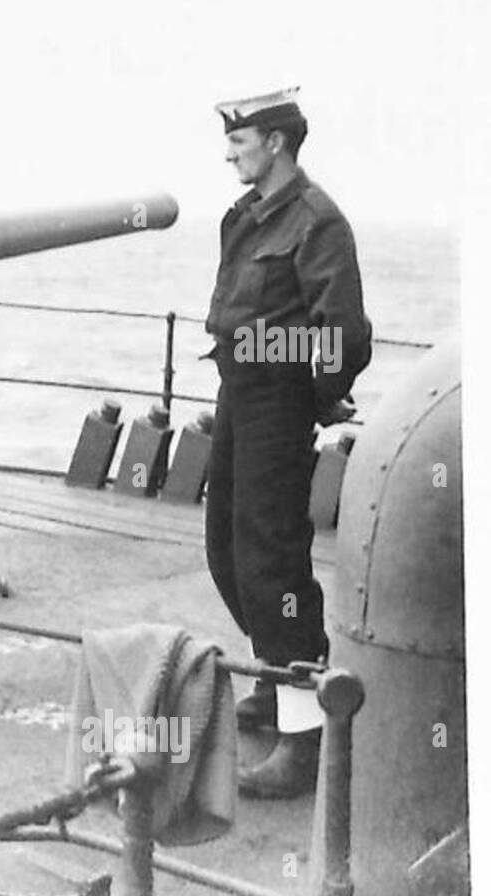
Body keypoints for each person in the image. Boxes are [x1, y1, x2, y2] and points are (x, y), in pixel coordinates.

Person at [204, 87, 372, 798]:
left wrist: (307, 385)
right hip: (239, 390)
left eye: (240, 141)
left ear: (275, 141)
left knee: (272, 560)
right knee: (226, 550)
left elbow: (344, 334)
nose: (229, 152)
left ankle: (305, 738)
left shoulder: (316, 221)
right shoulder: (246, 216)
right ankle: (284, 680)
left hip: (277, 397)